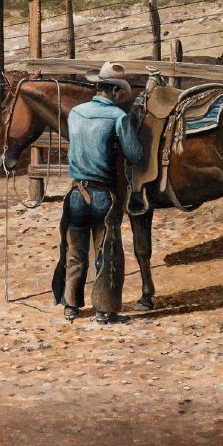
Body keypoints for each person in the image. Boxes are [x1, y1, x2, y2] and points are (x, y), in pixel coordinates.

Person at [53, 61, 143, 325]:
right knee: (106, 252)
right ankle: (104, 310)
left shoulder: (76, 113)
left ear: (97, 86)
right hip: (103, 195)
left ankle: (71, 305)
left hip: (76, 194)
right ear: (115, 92)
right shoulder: (119, 117)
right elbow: (135, 154)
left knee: (75, 251)